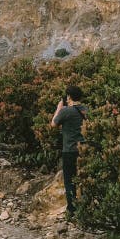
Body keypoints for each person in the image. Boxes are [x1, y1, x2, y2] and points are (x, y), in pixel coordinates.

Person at [50, 85, 88, 216]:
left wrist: (58, 108)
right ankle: (86, 206)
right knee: (83, 178)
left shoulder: (66, 111)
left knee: (69, 180)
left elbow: (53, 124)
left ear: (69, 97)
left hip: (70, 150)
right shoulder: (85, 110)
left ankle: (72, 209)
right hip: (85, 149)